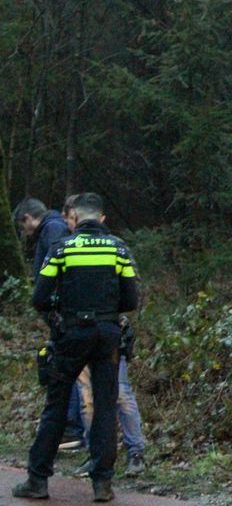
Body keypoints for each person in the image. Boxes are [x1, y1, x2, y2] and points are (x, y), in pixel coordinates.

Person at [12, 193, 139, 502]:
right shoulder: (118, 249)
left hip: (71, 334)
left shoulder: (62, 249)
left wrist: (63, 308)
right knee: (106, 405)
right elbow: (131, 301)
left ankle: (38, 479)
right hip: (108, 334)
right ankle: (102, 483)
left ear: (75, 218)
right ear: (102, 218)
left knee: (56, 406)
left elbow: (39, 298)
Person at [60, 194, 148, 477]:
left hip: (111, 330)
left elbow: (133, 288)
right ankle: (95, 454)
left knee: (119, 393)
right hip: (79, 330)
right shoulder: (67, 247)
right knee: (86, 398)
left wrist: (117, 315)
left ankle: (136, 452)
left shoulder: (116, 247)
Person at [11, 198, 85, 451]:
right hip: (64, 314)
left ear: (28, 219)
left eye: (24, 227)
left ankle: (71, 429)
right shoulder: (53, 228)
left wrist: (50, 304)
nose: (25, 232)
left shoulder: (52, 230)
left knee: (65, 370)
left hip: (64, 316)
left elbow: (58, 271)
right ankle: (70, 428)